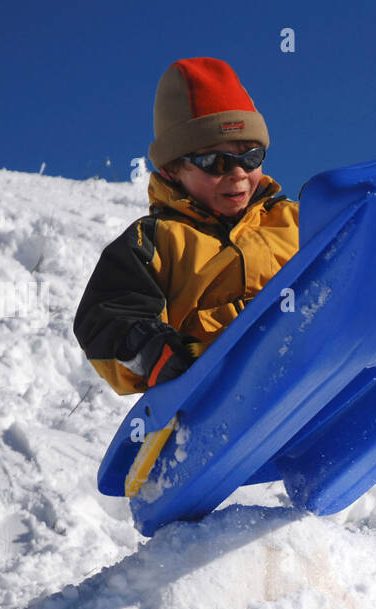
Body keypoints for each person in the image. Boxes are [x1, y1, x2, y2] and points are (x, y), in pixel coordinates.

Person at [73, 57, 299, 394]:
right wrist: (152, 350)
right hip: (213, 398)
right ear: (173, 169)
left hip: (310, 374)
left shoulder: (296, 220)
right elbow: (108, 317)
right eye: (215, 161)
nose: (237, 173)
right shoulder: (155, 241)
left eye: (249, 156)